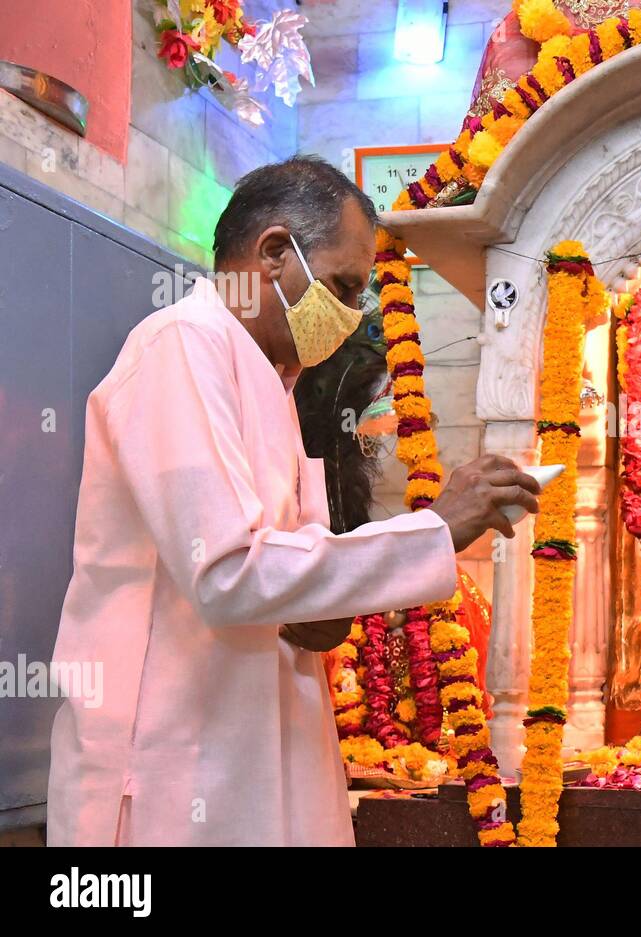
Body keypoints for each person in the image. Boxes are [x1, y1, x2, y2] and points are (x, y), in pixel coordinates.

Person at [46, 156, 539, 846]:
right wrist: (432, 530)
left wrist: (322, 616)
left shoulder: (273, 379)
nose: (351, 314)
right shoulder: (181, 345)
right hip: (173, 771)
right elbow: (228, 572)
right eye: (344, 286)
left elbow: (284, 580)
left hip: (258, 757)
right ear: (275, 252)